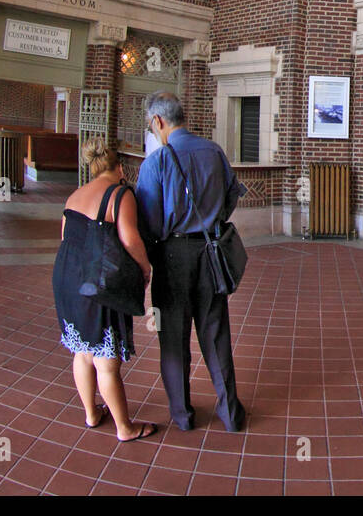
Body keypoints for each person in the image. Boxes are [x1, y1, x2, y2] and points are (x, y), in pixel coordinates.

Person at [134, 91, 246, 432]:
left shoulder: (156, 162)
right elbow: (232, 195)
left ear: (158, 121)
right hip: (211, 253)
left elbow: (148, 223)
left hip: (172, 257)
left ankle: (182, 415)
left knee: (172, 339)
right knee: (216, 334)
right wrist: (211, 223)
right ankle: (230, 414)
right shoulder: (214, 151)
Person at [52, 138, 158, 442]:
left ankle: (91, 414)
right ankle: (125, 428)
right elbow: (129, 239)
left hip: (67, 277)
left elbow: (65, 236)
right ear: (120, 167)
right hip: (98, 282)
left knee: (82, 353)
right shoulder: (119, 194)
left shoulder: (75, 195)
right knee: (106, 362)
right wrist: (145, 268)